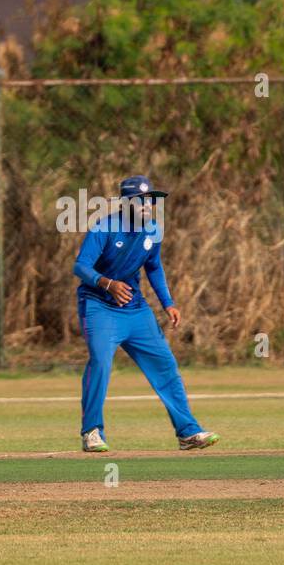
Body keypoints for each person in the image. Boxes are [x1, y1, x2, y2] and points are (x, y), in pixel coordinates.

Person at [73, 175, 219, 453]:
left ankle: (188, 433)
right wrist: (108, 283)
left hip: (136, 310)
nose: (148, 205)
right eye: (141, 201)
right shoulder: (104, 228)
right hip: (99, 306)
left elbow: (153, 267)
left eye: (151, 200)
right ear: (126, 203)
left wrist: (168, 303)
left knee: (165, 365)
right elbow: (80, 267)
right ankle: (92, 432)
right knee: (101, 363)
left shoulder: (153, 230)